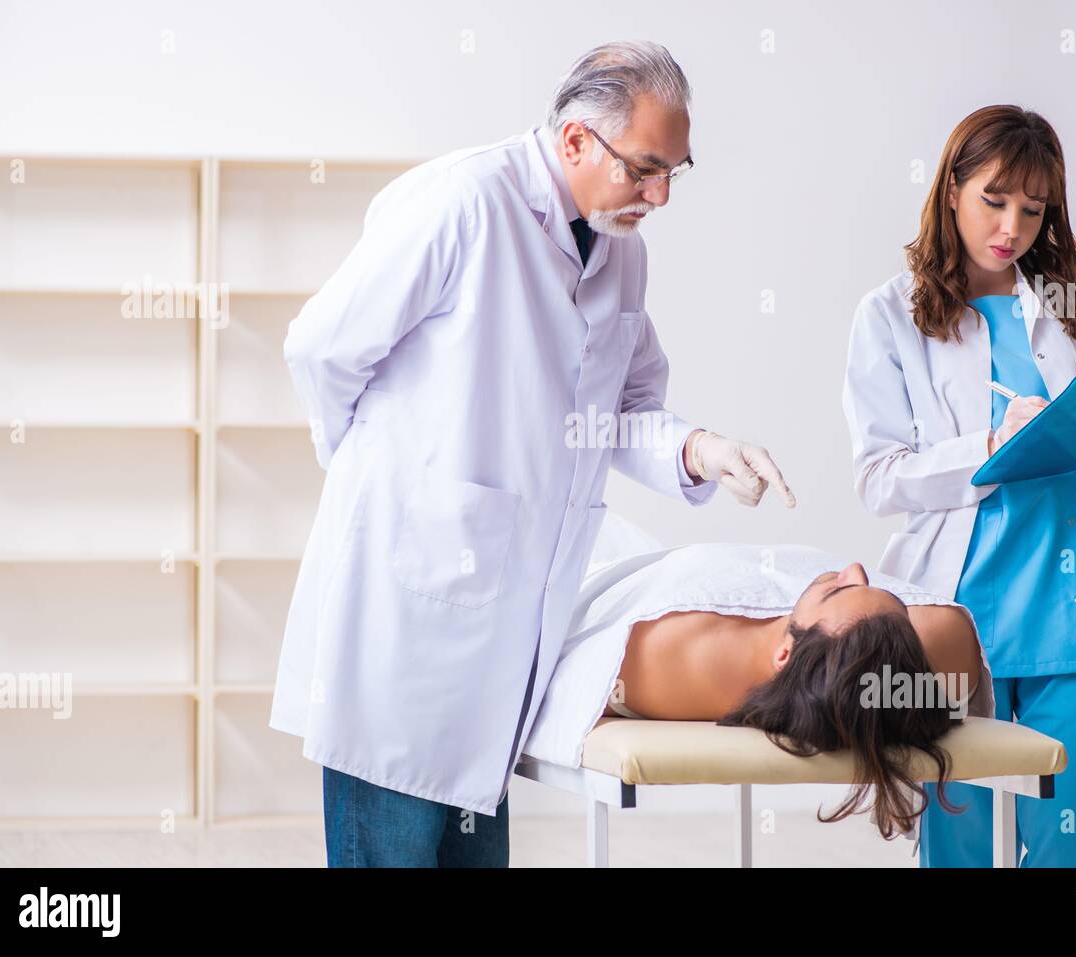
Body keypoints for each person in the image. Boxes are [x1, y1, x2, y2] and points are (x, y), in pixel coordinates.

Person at [269, 40, 795, 868]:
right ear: (578, 139)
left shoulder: (621, 250)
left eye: (675, 171)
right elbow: (322, 349)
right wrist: (382, 483)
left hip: (504, 638)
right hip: (404, 627)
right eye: (645, 168)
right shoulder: (464, 203)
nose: (658, 195)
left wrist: (698, 448)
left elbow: (626, 410)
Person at [841, 104, 1076, 867]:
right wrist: (986, 448)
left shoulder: (1075, 307)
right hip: (961, 627)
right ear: (951, 188)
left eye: (1033, 207)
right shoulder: (890, 315)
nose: (1012, 225)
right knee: (959, 846)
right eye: (994, 198)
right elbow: (878, 477)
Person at [521, 538, 995, 846]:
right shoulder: (939, 642)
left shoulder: (663, 650)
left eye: (836, 592)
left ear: (786, 654)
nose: (852, 566)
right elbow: (943, 688)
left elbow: (548, 665)